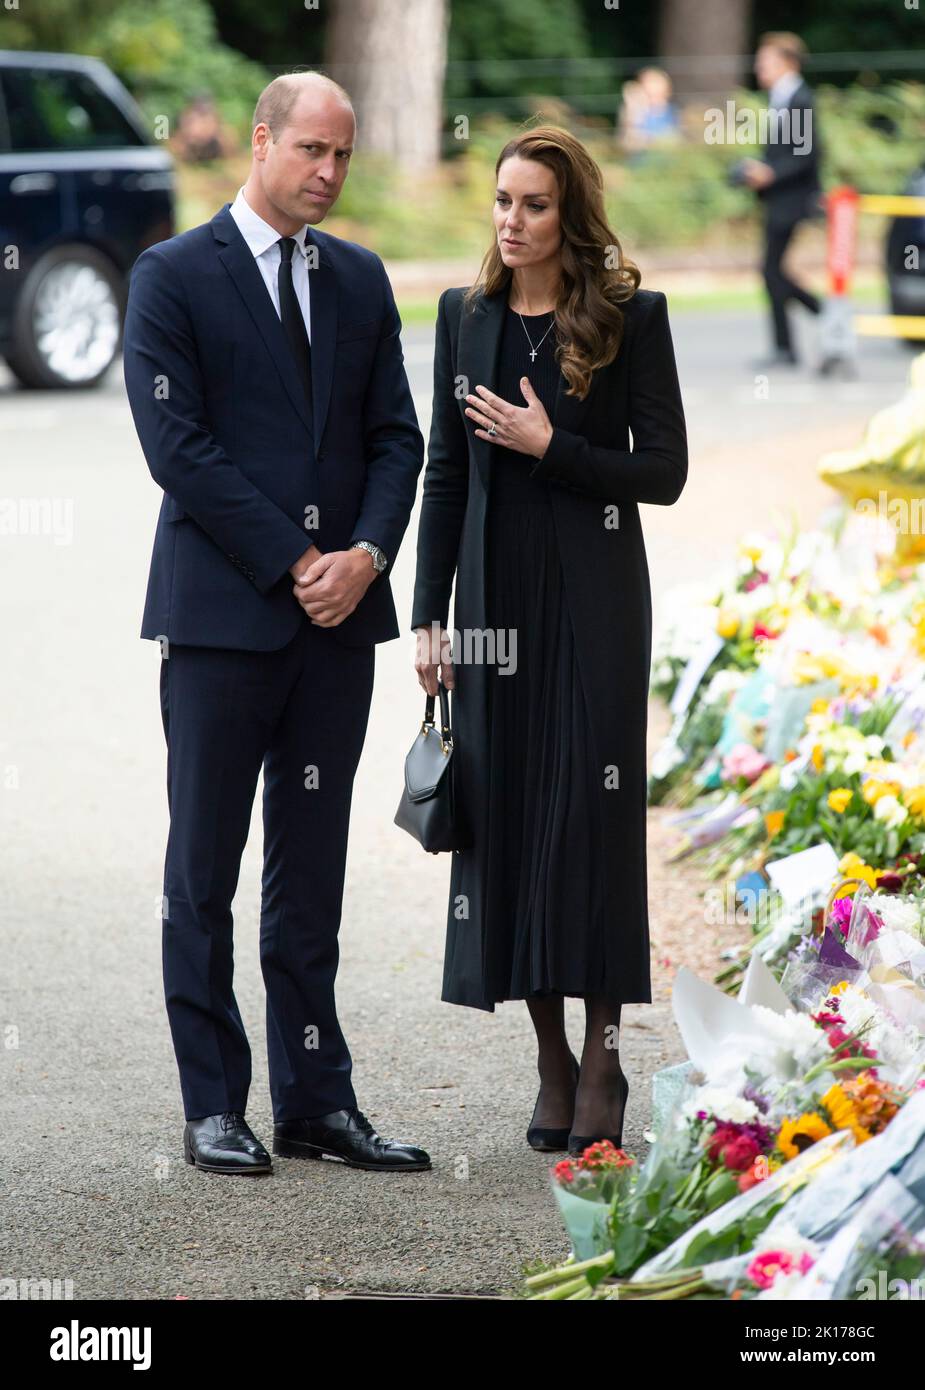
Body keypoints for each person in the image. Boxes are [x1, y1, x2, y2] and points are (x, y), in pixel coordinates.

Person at [123, 72, 429, 1176]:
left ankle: (315, 1102)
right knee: (201, 872)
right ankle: (214, 1105)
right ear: (258, 141)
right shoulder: (170, 276)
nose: (329, 173)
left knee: (311, 874)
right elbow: (180, 452)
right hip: (219, 623)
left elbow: (398, 438)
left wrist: (365, 556)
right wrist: (298, 558)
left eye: (343, 156)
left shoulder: (357, 276)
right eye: (311, 150)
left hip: (337, 627)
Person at [411, 128, 688, 1155]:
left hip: (597, 598)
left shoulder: (630, 319)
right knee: (512, 817)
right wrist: (428, 614)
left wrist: (552, 447)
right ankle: (549, 1060)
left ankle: (606, 1049)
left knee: (593, 819)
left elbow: (662, 472)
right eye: (500, 201)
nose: (510, 221)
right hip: (490, 605)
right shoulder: (463, 316)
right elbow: (445, 472)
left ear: (569, 216)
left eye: (532, 204)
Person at [742, 32, 822, 367]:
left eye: (767, 61)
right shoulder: (781, 98)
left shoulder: (798, 98)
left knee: (771, 270)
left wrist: (770, 173)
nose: (760, 67)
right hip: (779, 197)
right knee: (772, 270)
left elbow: (807, 154)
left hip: (792, 198)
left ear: (788, 62)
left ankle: (810, 324)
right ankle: (796, 336)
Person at [616, 68, 680, 157]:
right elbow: (627, 142)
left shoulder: (672, 112)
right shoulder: (634, 112)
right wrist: (633, 108)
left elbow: (676, 141)